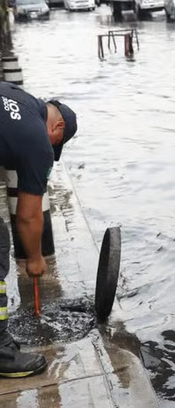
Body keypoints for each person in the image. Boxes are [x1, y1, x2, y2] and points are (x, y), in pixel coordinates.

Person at [0, 82, 77, 378]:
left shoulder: (16, 94)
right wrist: (34, 259)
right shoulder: (37, 143)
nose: (51, 149)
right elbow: (29, 215)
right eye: (56, 143)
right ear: (58, 126)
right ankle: (1, 352)